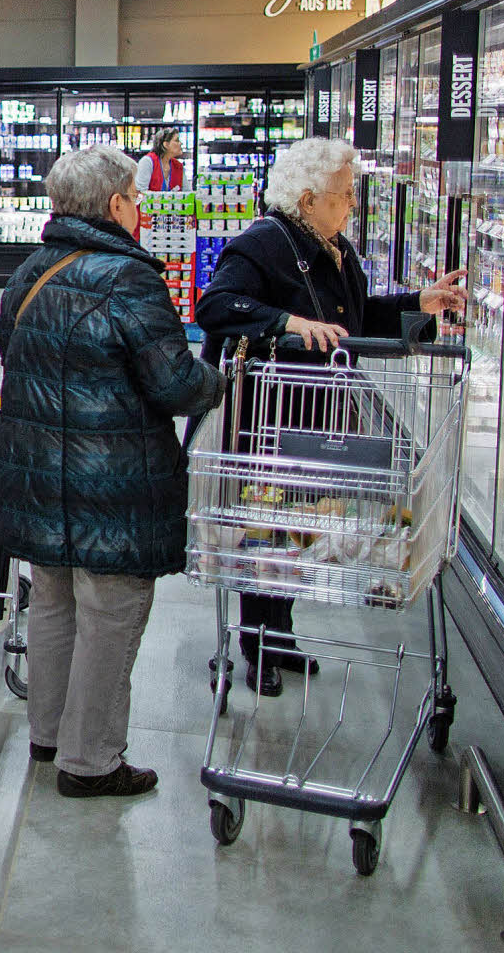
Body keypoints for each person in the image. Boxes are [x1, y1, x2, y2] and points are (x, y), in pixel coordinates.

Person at [194, 137, 466, 697]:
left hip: (316, 415)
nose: (351, 204)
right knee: (265, 528)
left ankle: (281, 634)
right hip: (270, 415)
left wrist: (420, 305)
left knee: (299, 524)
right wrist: (286, 324)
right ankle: (258, 644)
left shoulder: (335, 247)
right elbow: (216, 306)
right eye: (343, 195)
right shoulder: (263, 244)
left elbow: (357, 320)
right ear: (310, 197)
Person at [0, 145, 224, 798]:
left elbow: (17, 358)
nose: (142, 206)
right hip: (112, 480)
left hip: (38, 471)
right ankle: (90, 760)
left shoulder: (31, 270)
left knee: (52, 600)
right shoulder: (129, 278)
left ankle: (48, 734)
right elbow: (176, 384)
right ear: (116, 203)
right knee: (110, 611)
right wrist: (218, 380)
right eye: (136, 195)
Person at [134, 126, 186, 194]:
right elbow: (140, 192)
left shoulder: (178, 166)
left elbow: (187, 192)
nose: (180, 143)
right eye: (177, 140)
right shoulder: (147, 162)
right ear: (166, 144)